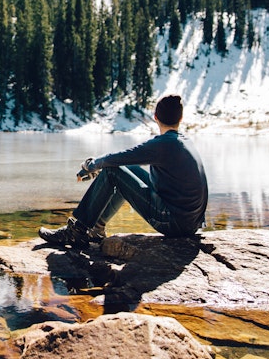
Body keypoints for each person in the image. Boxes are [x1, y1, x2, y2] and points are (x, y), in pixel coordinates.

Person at [39, 94, 208, 247]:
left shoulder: (163, 144)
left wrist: (92, 165)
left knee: (113, 172)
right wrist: (102, 164)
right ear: (181, 118)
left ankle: (76, 231)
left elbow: (123, 156)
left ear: (155, 117)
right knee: (121, 168)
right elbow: (123, 161)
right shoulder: (184, 142)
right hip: (189, 223)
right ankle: (96, 229)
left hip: (173, 223)